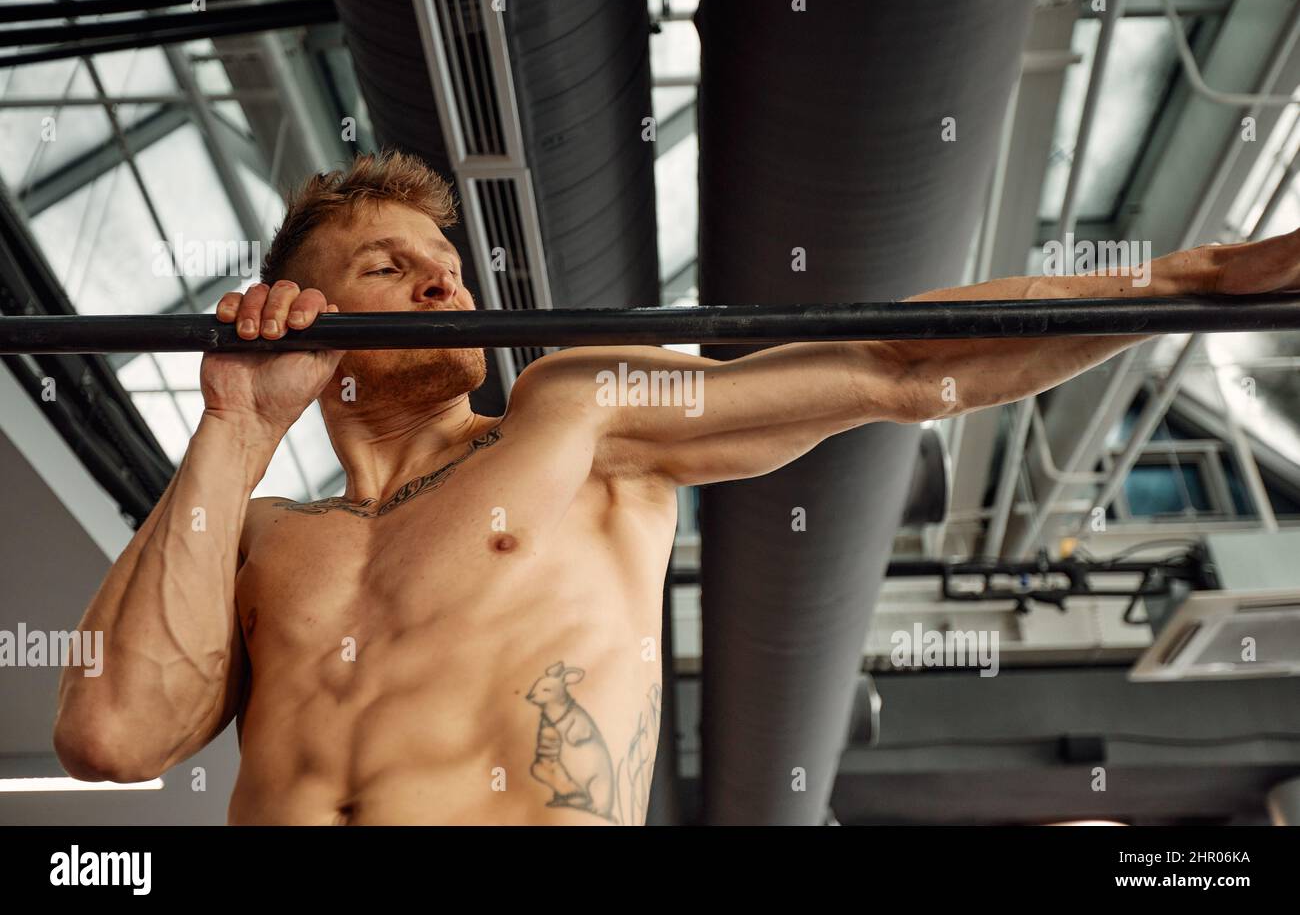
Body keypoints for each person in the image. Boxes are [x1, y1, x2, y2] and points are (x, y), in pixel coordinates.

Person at [51, 150, 1300, 825]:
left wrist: (1188, 280)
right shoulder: (258, 532)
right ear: (306, 314)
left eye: (447, 261)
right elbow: (112, 738)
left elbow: (898, 368)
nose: (444, 284)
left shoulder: (575, 410)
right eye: (391, 265)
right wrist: (233, 423)